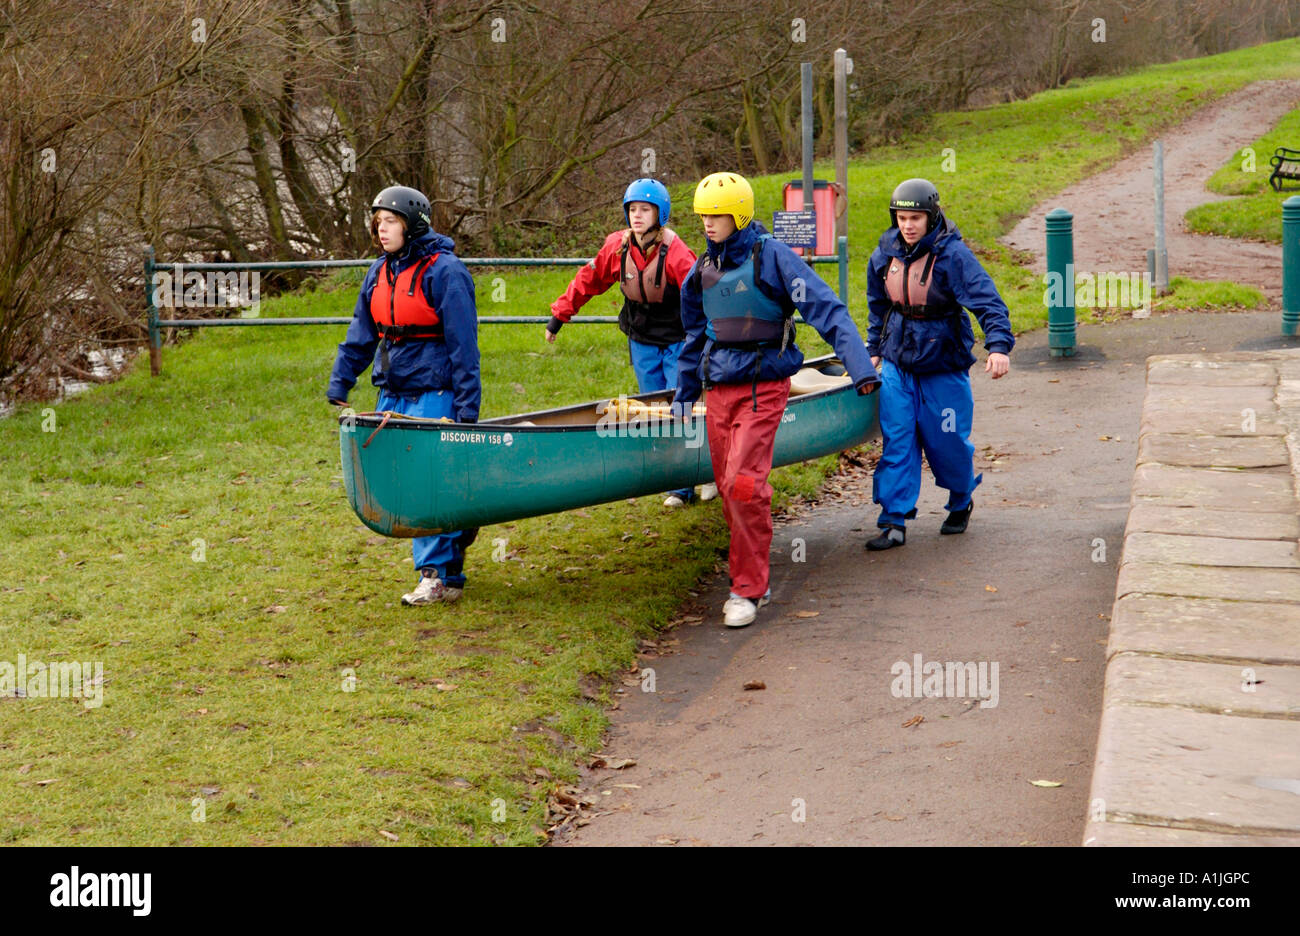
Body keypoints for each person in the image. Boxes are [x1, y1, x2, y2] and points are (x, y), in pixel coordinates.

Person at [675, 172, 879, 628]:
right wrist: (684, 393)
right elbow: (693, 334)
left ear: (740, 214)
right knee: (729, 488)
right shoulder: (701, 269)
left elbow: (826, 308)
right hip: (718, 391)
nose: (707, 224)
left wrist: (860, 366)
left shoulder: (773, 258)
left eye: (717, 216)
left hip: (763, 388)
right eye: (703, 216)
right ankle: (753, 575)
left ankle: (747, 588)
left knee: (745, 484)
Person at [328, 185, 481, 605]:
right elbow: (361, 335)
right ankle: (454, 555)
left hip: (435, 392)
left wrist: (467, 410)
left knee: (425, 486)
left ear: (412, 224)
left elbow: (465, 348)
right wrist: (341, 382)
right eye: (378, 222)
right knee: (405, 483)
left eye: (391, 221)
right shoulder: (379, 271)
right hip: (391, 392)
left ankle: (433, 575)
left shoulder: (446, 272)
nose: (382, 230)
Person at [864, 178, 1013, 550]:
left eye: (915, 217)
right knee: (897, 438)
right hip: (899, 362)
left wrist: (998, 346)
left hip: (943, 362)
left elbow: (988, 301)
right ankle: (894, 521)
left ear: (931, 216)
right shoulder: (884, 255)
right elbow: (877, 306)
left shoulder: (953, 256)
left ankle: (961, 500)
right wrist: (873, 349)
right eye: (901, 218)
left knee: (946, 441)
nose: (908, 225)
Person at [546, 178, 716, 506]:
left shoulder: (677, 253)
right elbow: (588, 280)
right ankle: (678, 486)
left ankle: (703, 471)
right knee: (654, 411)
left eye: (645, 209)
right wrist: (559, 316)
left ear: (660, 213)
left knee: (684, 408)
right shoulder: (617, 246)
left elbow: (702, 296)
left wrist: (713, 339)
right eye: (632, 209)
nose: (637, 216)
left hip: (678, 340)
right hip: (642, 340)